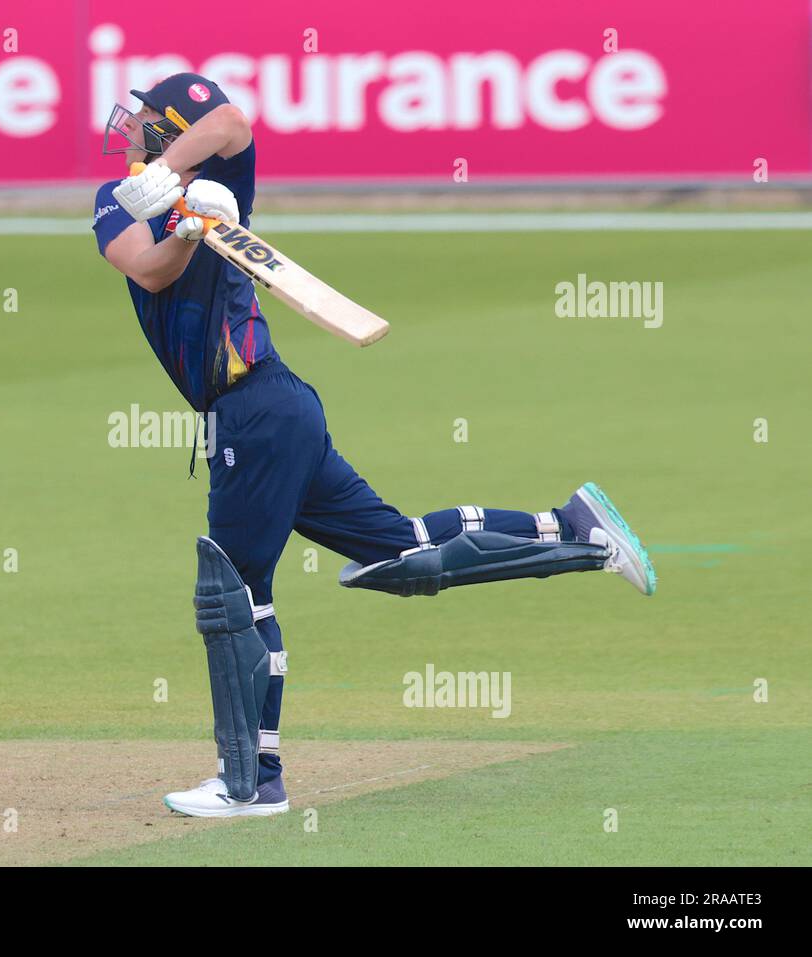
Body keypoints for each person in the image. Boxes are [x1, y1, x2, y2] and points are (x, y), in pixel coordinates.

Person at [92, 73, 655, 818]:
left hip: (253, 409)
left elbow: (228, 119)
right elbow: (146, 266)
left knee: (235, 592)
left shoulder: (224, 182)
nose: (125, 127)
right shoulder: (117, 197)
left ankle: (251, 778)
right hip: (277, 410)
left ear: (169, 132)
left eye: (143, 122)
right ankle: (573, 529)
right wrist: (184, 222)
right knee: (402, 555)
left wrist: (198, 201)